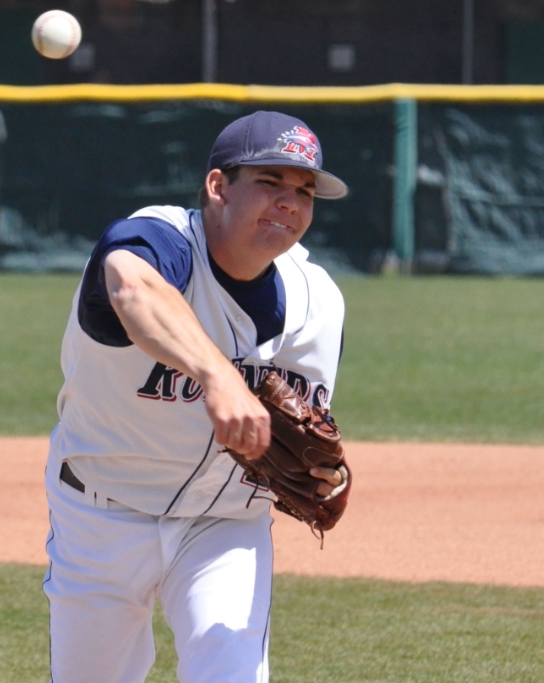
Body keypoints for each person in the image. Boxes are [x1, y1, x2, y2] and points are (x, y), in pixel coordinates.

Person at [43, 110, 348, 683]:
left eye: (305, 191)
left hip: (225, 524)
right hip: (100, 511)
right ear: (217, 187)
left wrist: (329, 477)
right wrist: (218, 375)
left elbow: (309, 426)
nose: (291, 203)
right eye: (271, 183)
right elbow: (134, 288)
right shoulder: (158, 240)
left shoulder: (318, 301)